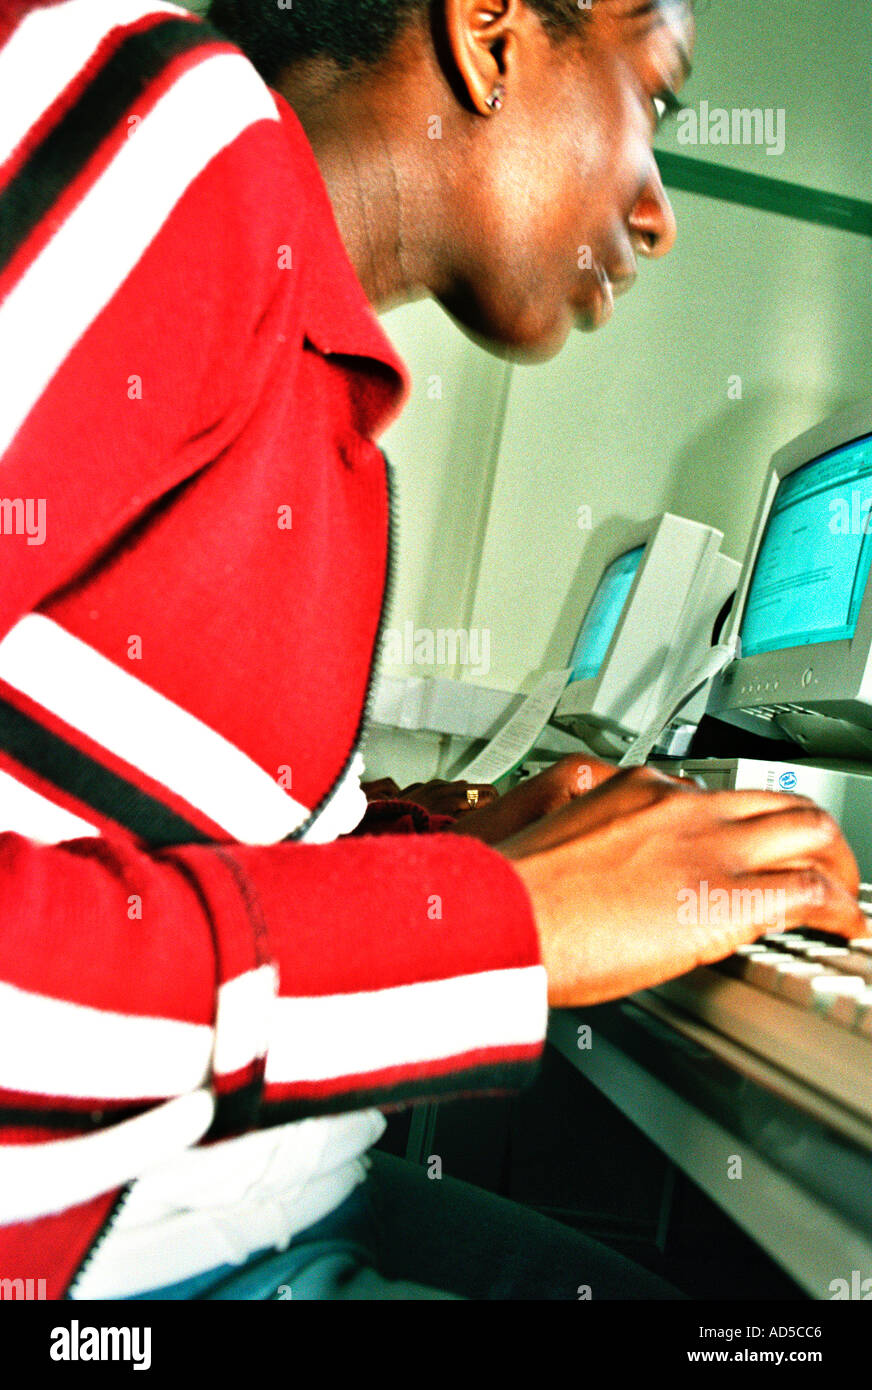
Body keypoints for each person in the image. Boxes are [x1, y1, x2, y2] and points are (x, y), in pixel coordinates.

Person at [0, 0, 864, 1301]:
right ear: (493, 27)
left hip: (251, 1197)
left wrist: (454, 861)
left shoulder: (323, 407)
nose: (658, 214)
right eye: (657, 98)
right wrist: (499, 923)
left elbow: (140, 857)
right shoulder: (167, 128)